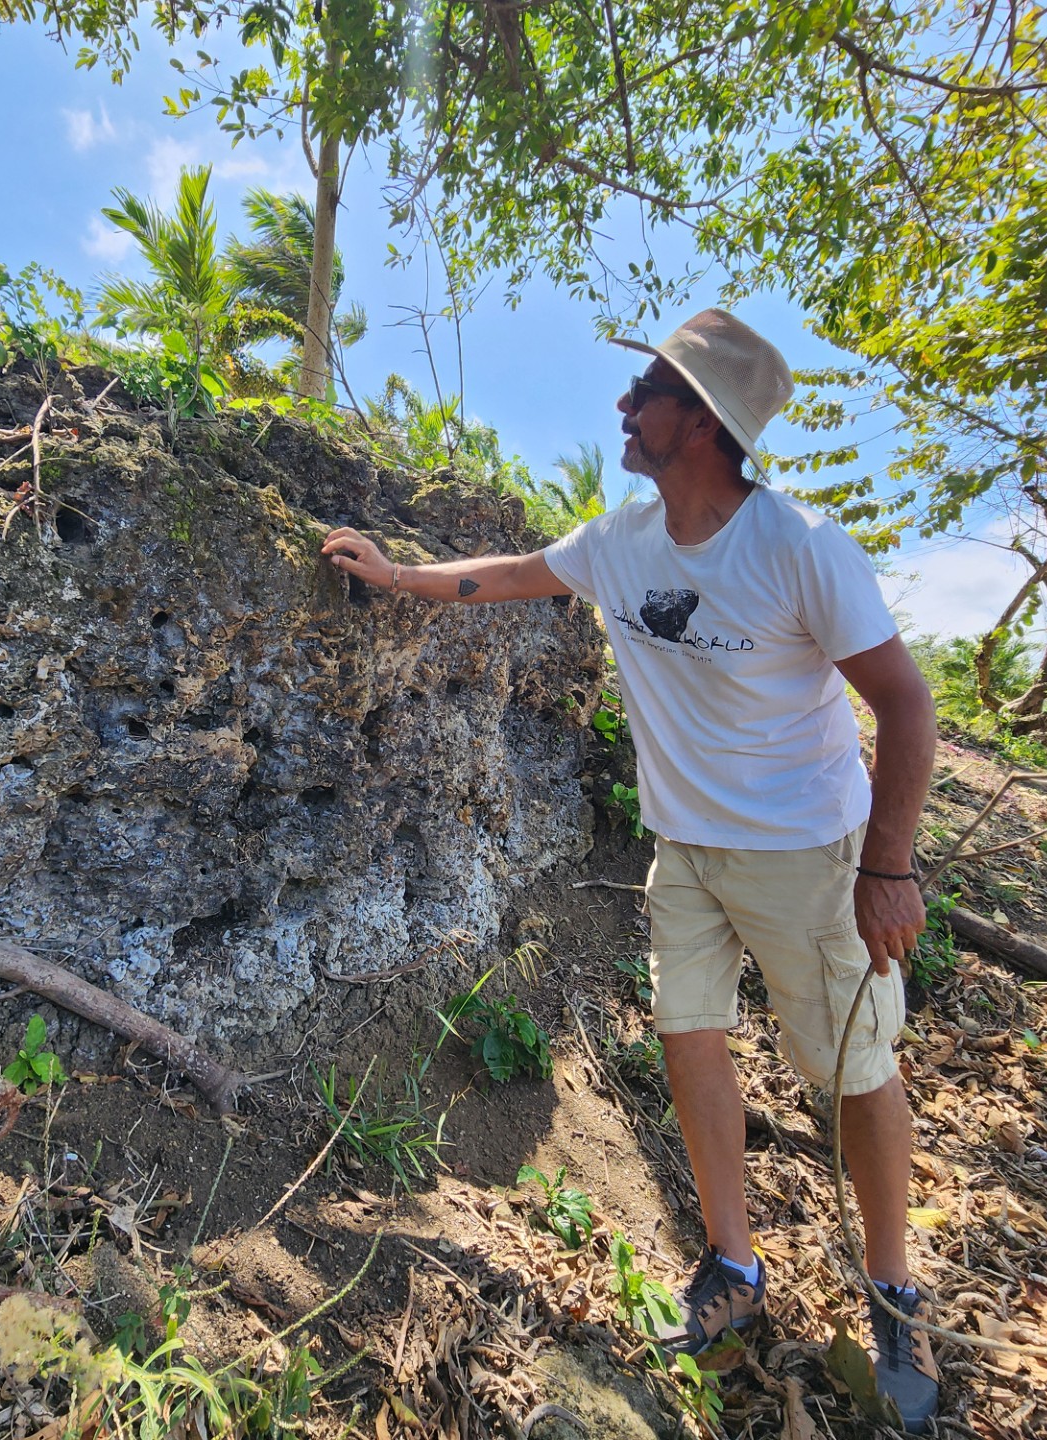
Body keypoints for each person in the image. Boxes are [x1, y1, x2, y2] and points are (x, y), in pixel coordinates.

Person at [320, 310, 940, 1426]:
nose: (623, 407)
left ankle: (894, 1292)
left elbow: (904, 703)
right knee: (688, 1039)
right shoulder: (623, 542)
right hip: (686, 850)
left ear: (701, 422)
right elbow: (510, 574)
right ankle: (734, 1269)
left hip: (811, 856)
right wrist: (396, 573)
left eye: (646, 391)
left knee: (854, 1068)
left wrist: (887, 867)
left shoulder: (798, 548)